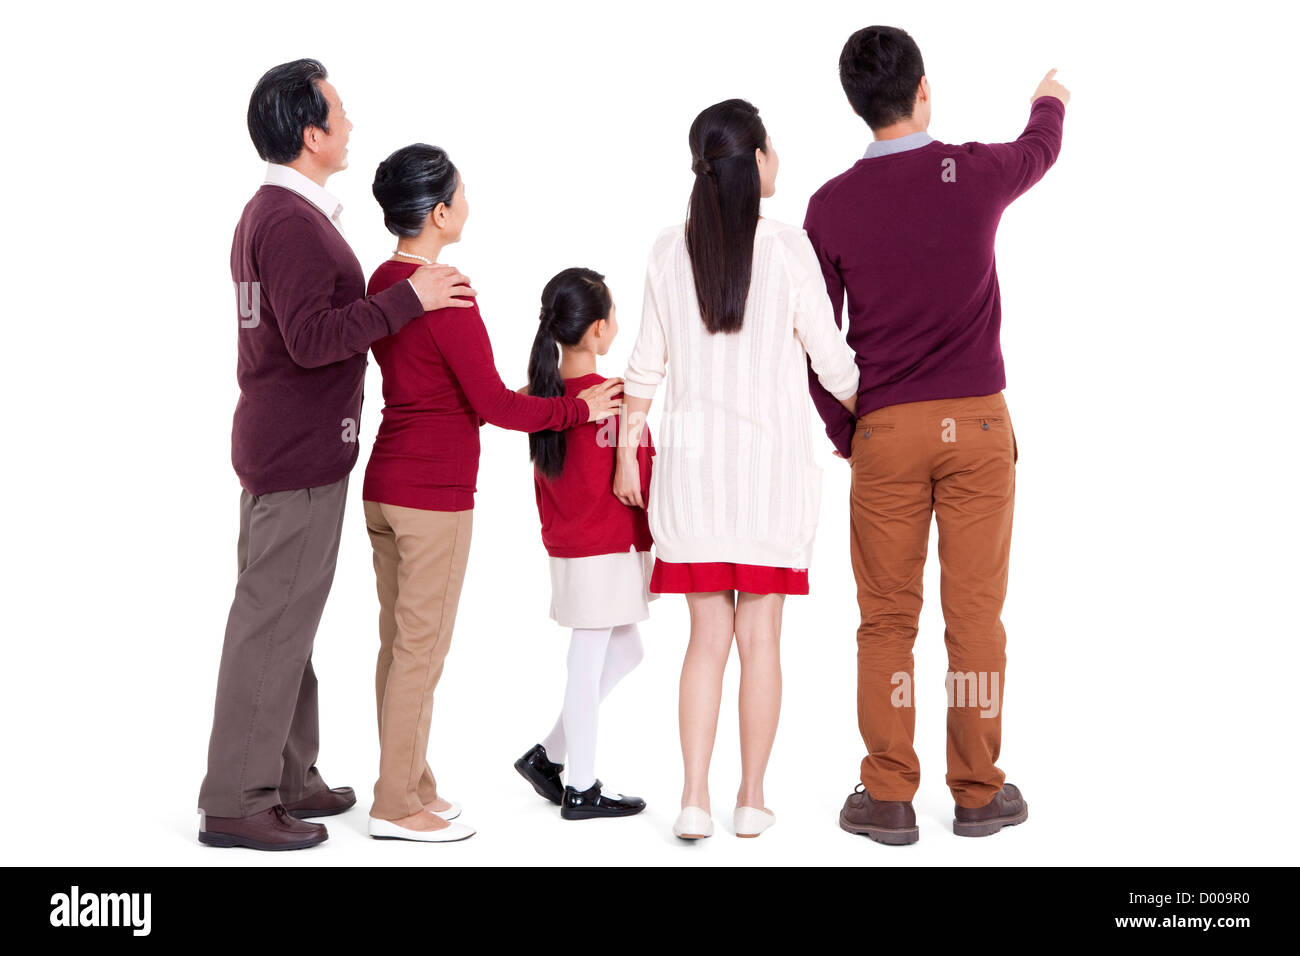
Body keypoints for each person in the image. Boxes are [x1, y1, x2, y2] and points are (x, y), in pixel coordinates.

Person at [197, 59, 475, 851]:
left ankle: (290, 775)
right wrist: (404, 299)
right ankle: (237, 799)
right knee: (270, 620)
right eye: (340, 115)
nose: (350, 124)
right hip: (296, 452)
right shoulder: (287, 220)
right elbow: (313, 340)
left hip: (286, 444)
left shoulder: (276, 213)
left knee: (288, 616)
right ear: (312, 135)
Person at [802, 26, 1068, 844]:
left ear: (856, 105)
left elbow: (817, 342)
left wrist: (851, 432)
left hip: (885, 429)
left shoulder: (831, 205)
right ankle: (979, 792)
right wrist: (1050, 96)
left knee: (886, 619)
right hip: (980, 426)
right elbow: (1040, 148)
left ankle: (887, 796)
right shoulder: (974, 170)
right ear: (924, 89)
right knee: (976, 619)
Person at [363, 145, 625, 842]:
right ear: (440, 211)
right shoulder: (443, 289)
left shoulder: (386, 280)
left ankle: (412, 780)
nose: (469, 204)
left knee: (398, 644)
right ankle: (394, 805)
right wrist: (580, 411)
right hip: (431, 494)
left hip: (385, 485)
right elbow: (495, 406)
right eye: (463, 194)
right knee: (421, 649)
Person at [615, 99, 860, 840]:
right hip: (771, 480)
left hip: (691, 483)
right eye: (771, 148)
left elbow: (641, 373)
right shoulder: (788, 248)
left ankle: (693, 800)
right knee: (761, 641)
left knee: (704, 643)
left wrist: (628, 454)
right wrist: (878, 409)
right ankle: (751, 798)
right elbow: (835, 362)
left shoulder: (667, 249)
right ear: (753, 162)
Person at [514, 268, 655, 821]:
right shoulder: (613, 398)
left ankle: (549, 756)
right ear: (598, 330)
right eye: (614, 315)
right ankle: (581, 785)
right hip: (604, 544)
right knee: (591, 654)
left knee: (626, 649)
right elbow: (640, 477)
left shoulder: (541, 401)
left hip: (574, 544)